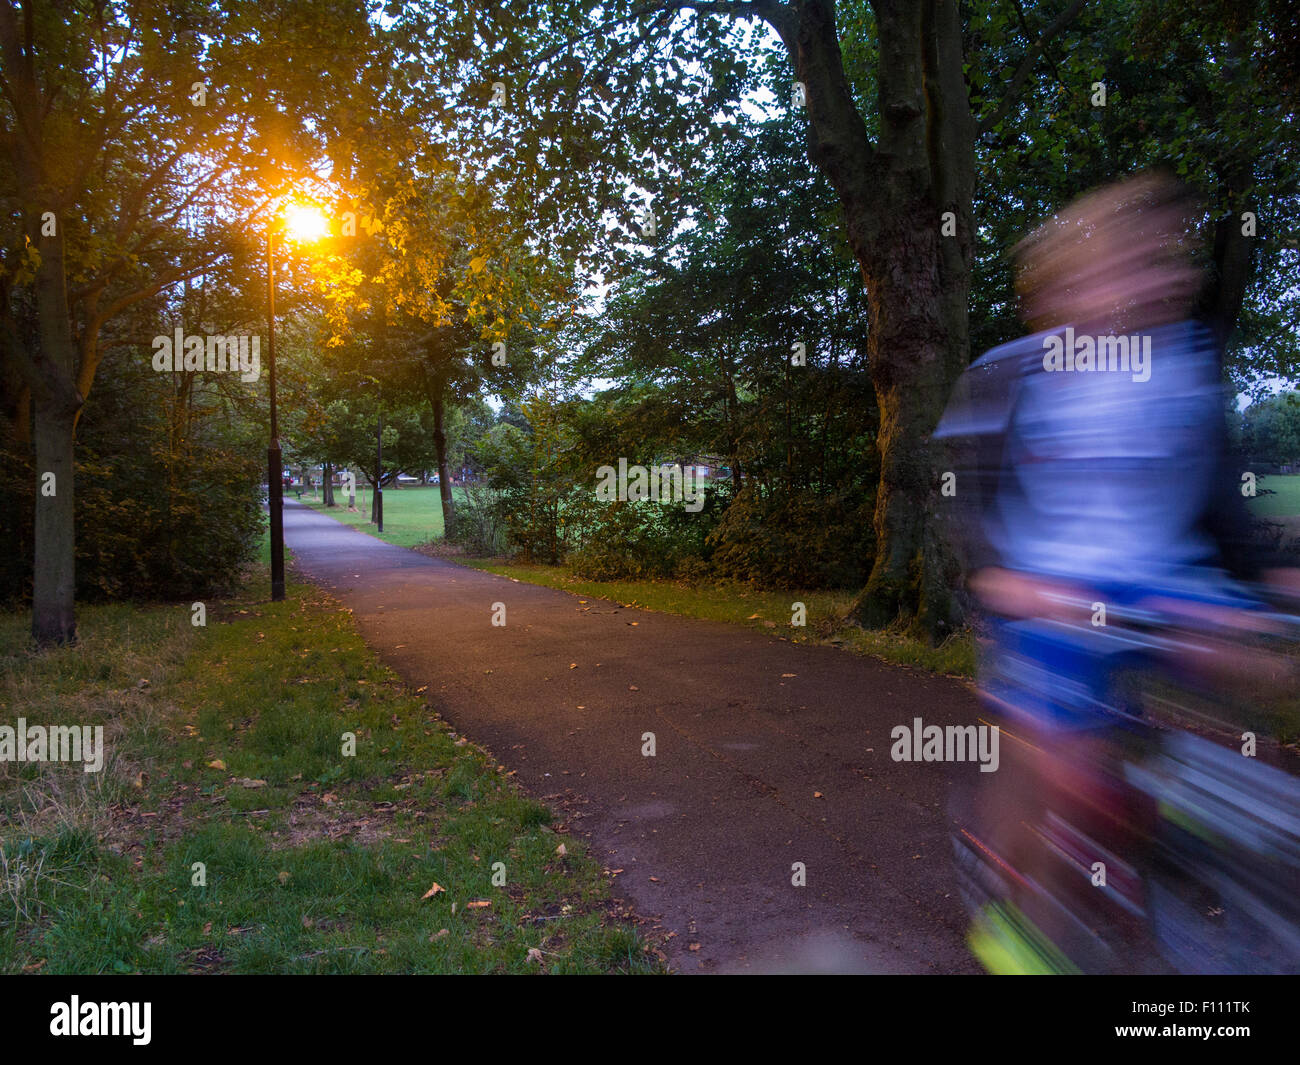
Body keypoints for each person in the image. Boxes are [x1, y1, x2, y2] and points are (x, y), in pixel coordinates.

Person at [937, 172, 1300, 973]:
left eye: (1163, 261)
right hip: (1050, 585)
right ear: (1061, 290)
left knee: (1255, 675)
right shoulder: (1010, 376)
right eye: (1124, 266)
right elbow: (968, 502)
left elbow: (1221, 496)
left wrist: (1273, 587)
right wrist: (1003, 580)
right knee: (1063, 761)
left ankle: (1245, 861)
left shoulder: (1185, 367)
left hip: (1164, 582)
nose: (1155, 282)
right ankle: (1026, 922)